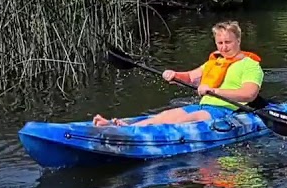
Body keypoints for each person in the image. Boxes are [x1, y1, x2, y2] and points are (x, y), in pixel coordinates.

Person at [93, 20, 264, 127]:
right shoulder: (214, 61)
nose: (224, 47)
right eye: (220, 43)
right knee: (167, 115)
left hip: (226, 112)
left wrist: (214, 91)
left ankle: (127, 131)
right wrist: (174, 75)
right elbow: (190, 77)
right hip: (204, 107)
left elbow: (249, 93)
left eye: (228, 42)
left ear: (238, 40)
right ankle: (120, 127)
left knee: (189, 119)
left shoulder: (250, 65)